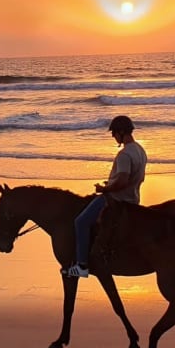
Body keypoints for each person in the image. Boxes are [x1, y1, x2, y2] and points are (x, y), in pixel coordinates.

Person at [64, 115, 147, 278]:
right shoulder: (140, 150)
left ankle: (82, 265)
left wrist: (104, 189)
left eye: (114, 133)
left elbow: (122, 180)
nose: (113, 136)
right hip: (134, 198)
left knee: (80, 222)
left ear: (121, 132)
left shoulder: (124, 154)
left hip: (116, 199)